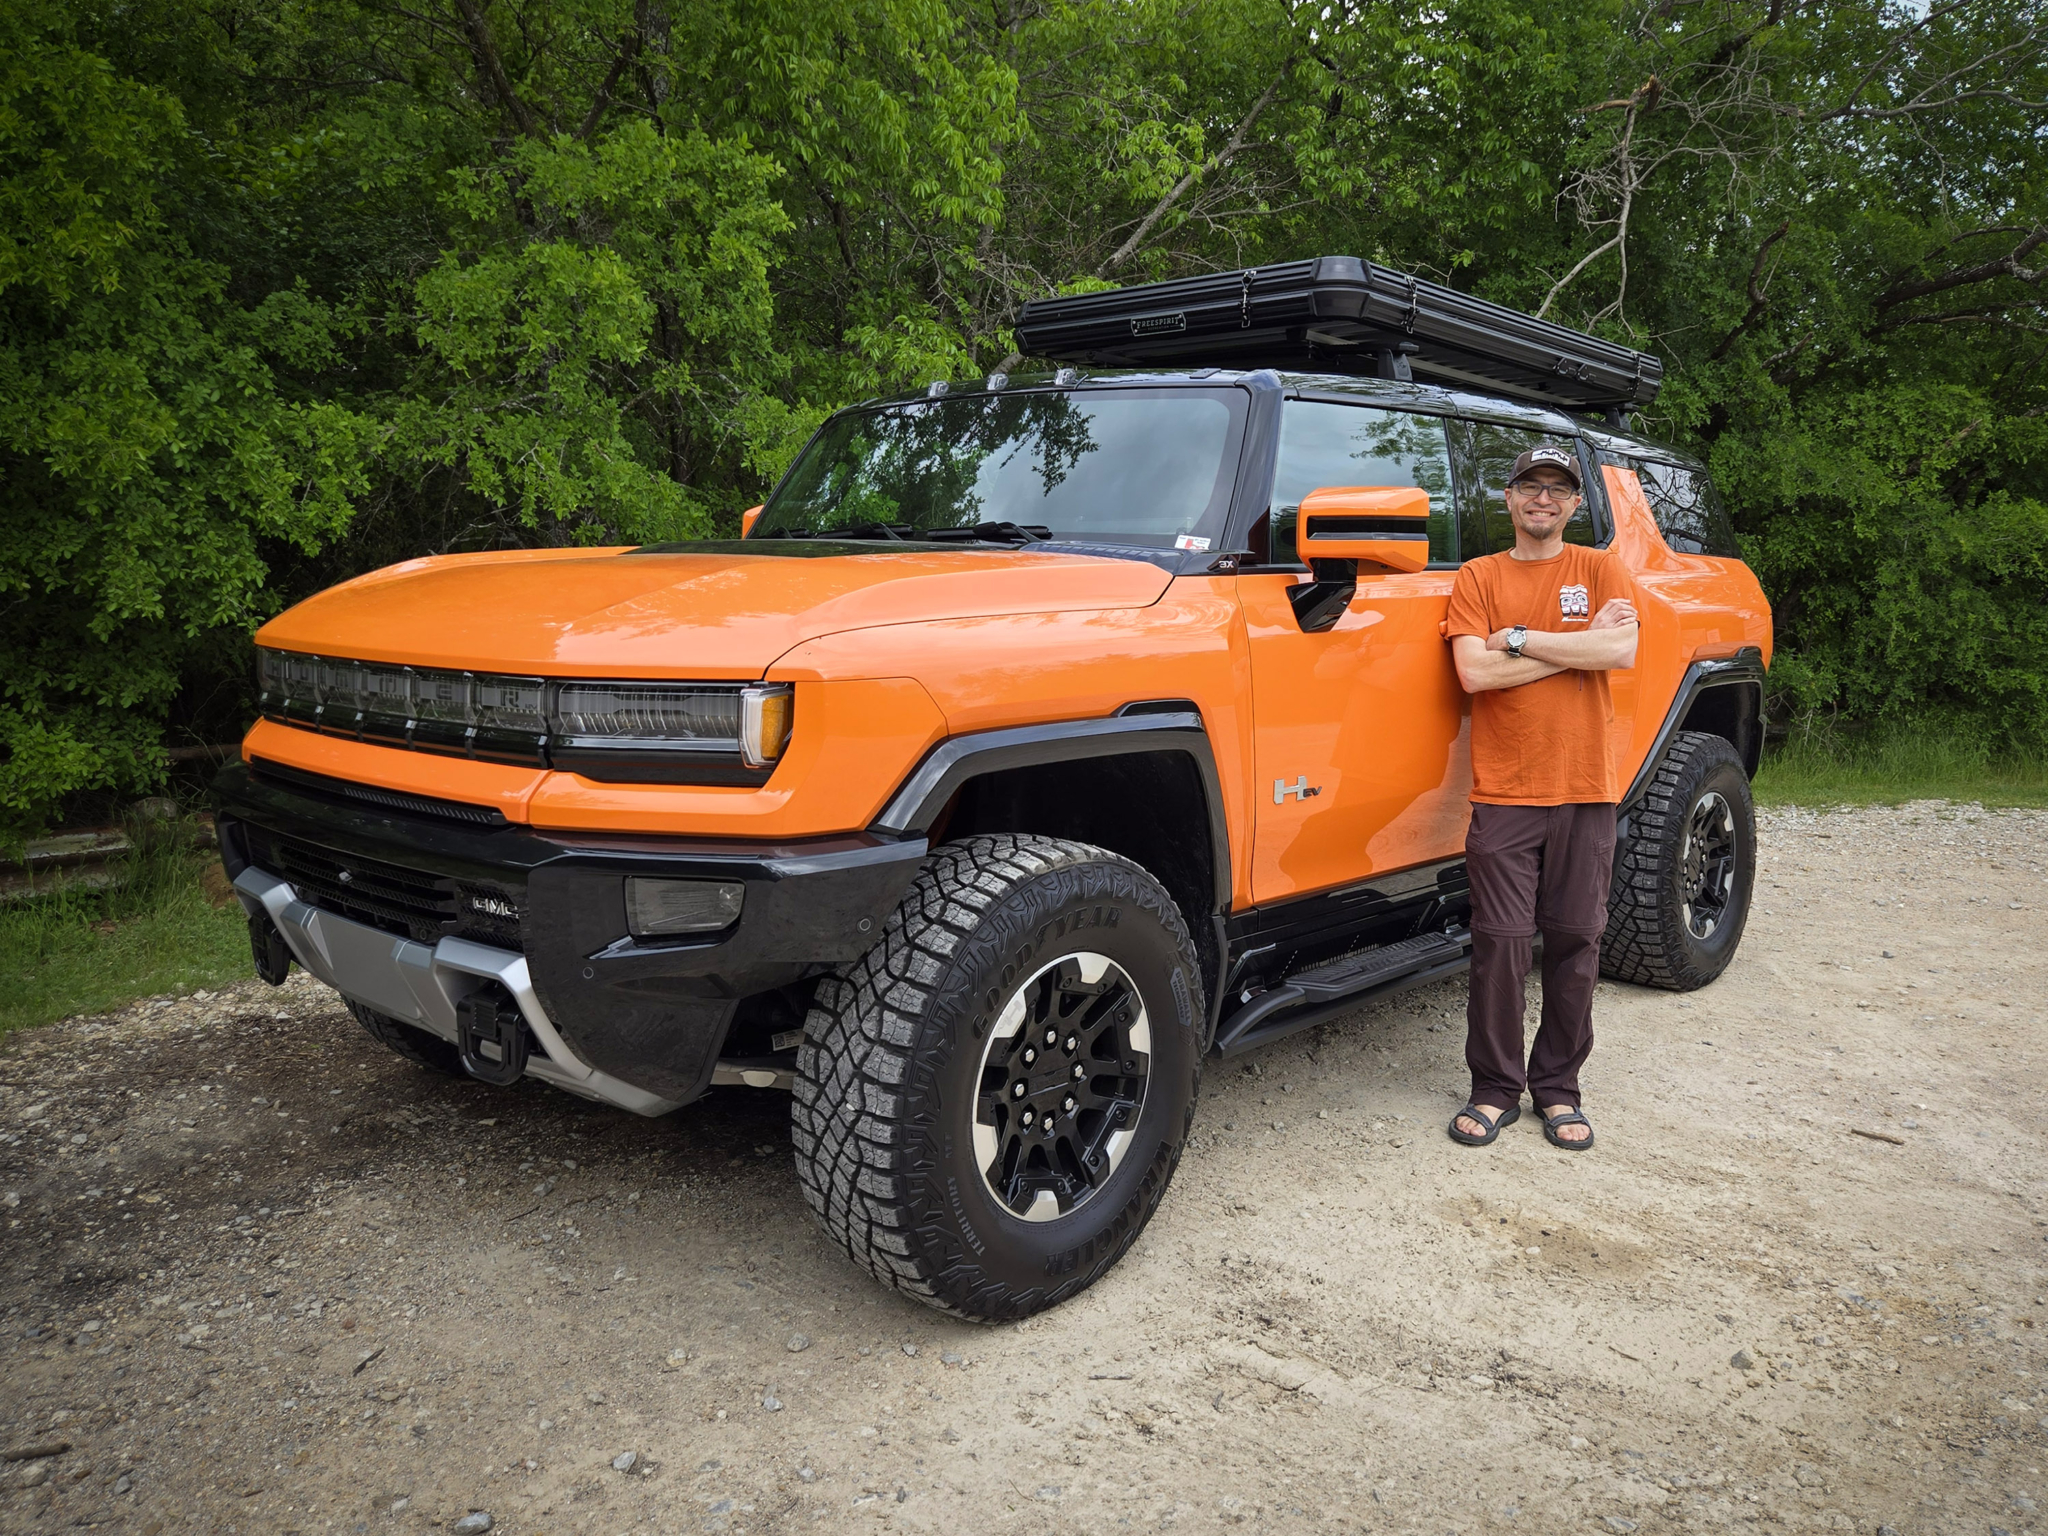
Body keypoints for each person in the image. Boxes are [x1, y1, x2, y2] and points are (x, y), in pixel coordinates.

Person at [1442, 443, 1638, 1151]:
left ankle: (1558, 1088)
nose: (1544, 499)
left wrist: (1520, 639)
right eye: (1531, 486)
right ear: (1510, 496)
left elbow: (1619, 652)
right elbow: (1472, 674)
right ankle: (1495, 1088)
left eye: (1558, 489)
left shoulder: (1599, 566)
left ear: (1576, 504)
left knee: (1577, 938)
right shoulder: (1478, 575)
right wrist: (1571, 645)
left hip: (1586, 786)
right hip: (1506, 790)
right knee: (1498, 943)